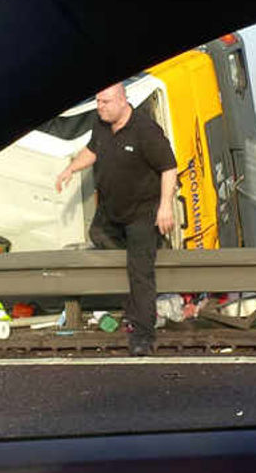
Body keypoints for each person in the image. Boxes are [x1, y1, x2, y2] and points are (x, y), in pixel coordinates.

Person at [55, 83, 178, 355]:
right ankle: (132, 291)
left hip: (142, 213)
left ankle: (144, 336)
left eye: (106, 102)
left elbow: (169, 167)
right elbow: (93, 150)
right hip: (111, 212)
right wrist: (70, 169)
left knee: (140, 273)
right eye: (98, 102)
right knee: (97, 235)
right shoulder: (101, 125)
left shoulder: (145, 131)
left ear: (123, 101)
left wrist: (165, 207)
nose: (100, 107)